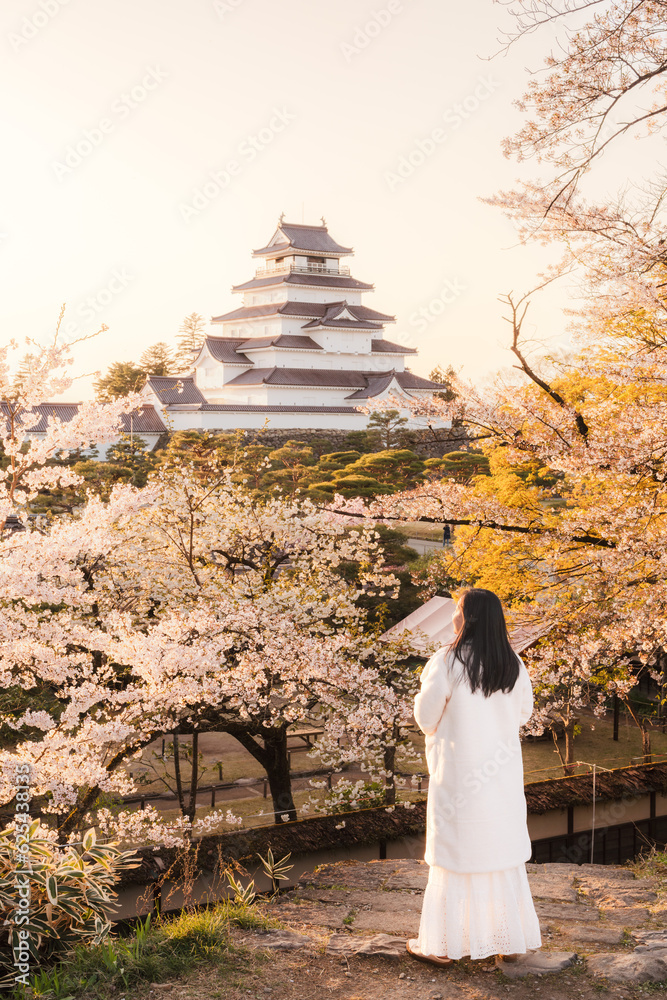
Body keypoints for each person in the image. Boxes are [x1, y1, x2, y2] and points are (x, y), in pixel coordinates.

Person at [406, 587, 541, 967]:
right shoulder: (512, 663)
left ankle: (441, 945)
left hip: (459, 777)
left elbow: (426, 718)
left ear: (468, 618)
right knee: (499, 851)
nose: (453, 615)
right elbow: (524, 714)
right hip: (500, 777)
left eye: (458, 609)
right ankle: (509, 941)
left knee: (456, 853)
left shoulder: (447, 661)